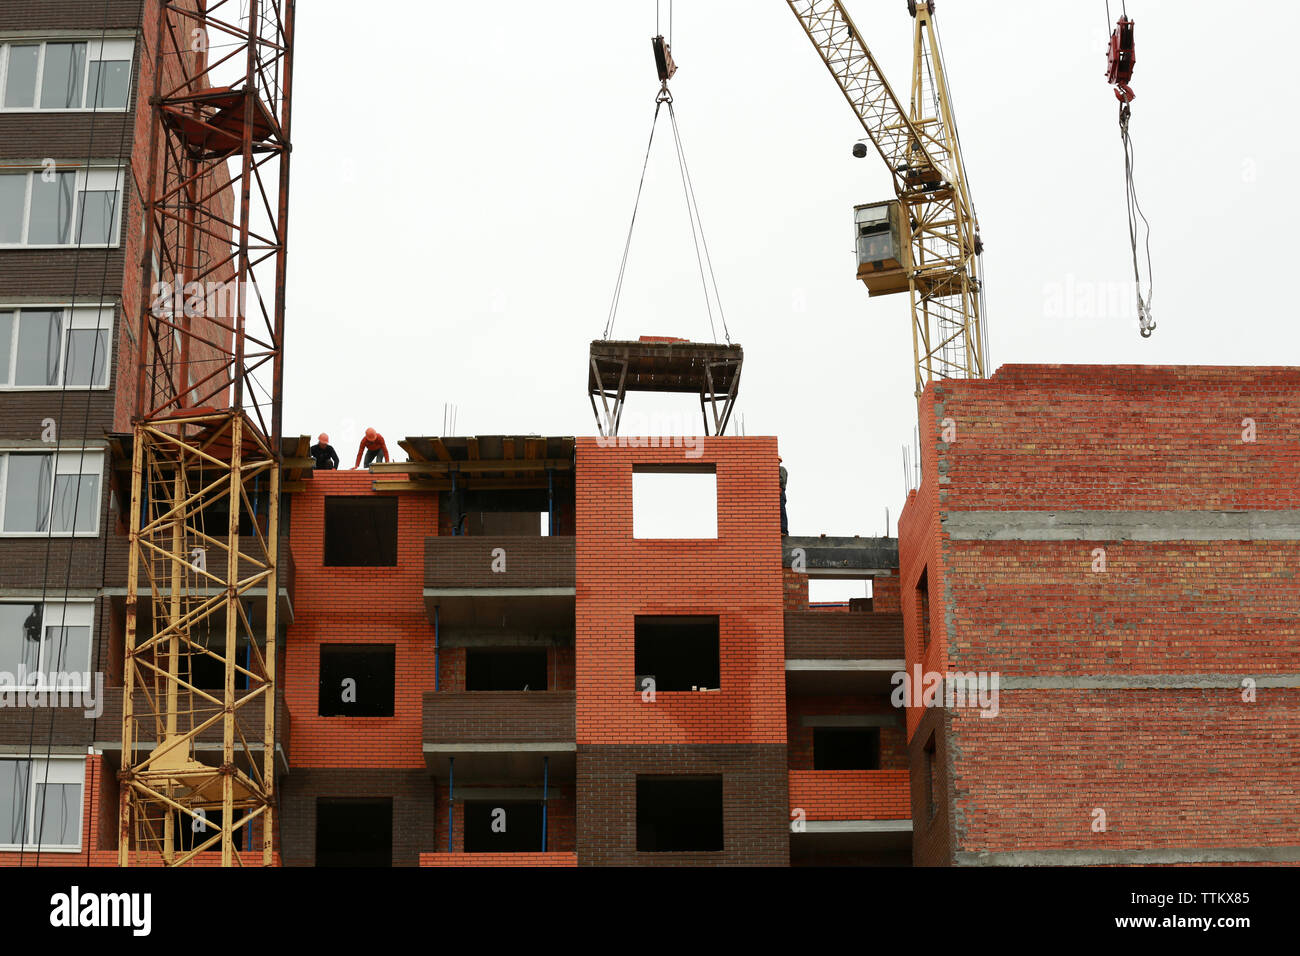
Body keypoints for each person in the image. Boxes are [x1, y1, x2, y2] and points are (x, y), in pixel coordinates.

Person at [779, 456, 789, 535]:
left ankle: (784, 530)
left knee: (782, 511)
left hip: (780, 492)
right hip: (777, 493)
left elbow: (782, 480)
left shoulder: (781, 469)